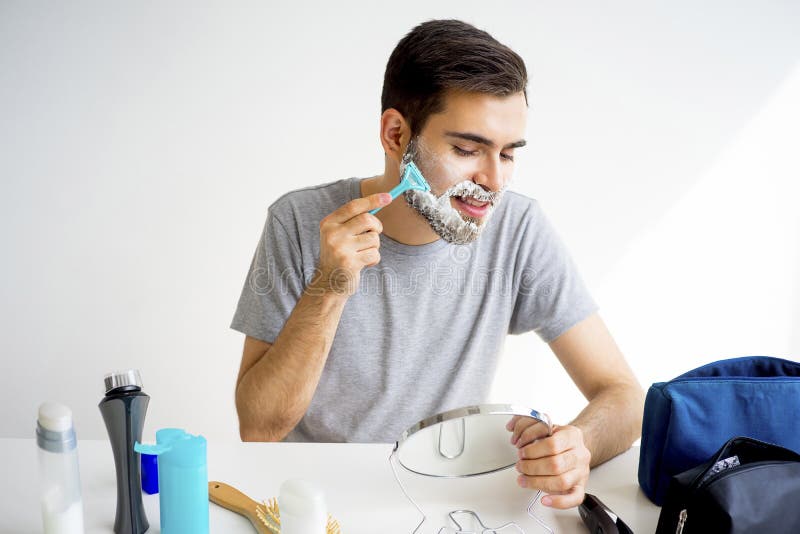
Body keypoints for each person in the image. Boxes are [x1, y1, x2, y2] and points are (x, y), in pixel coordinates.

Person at [231, 19, 644, 509]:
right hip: (315, 501)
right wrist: (330, 288)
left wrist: (579, 445)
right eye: (467, 150)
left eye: (508, 154)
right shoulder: (298, 222)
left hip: (445, 501)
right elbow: (258, 427)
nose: (493, 181)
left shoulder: (519, 229)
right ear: (394, 133)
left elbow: (623, 396)